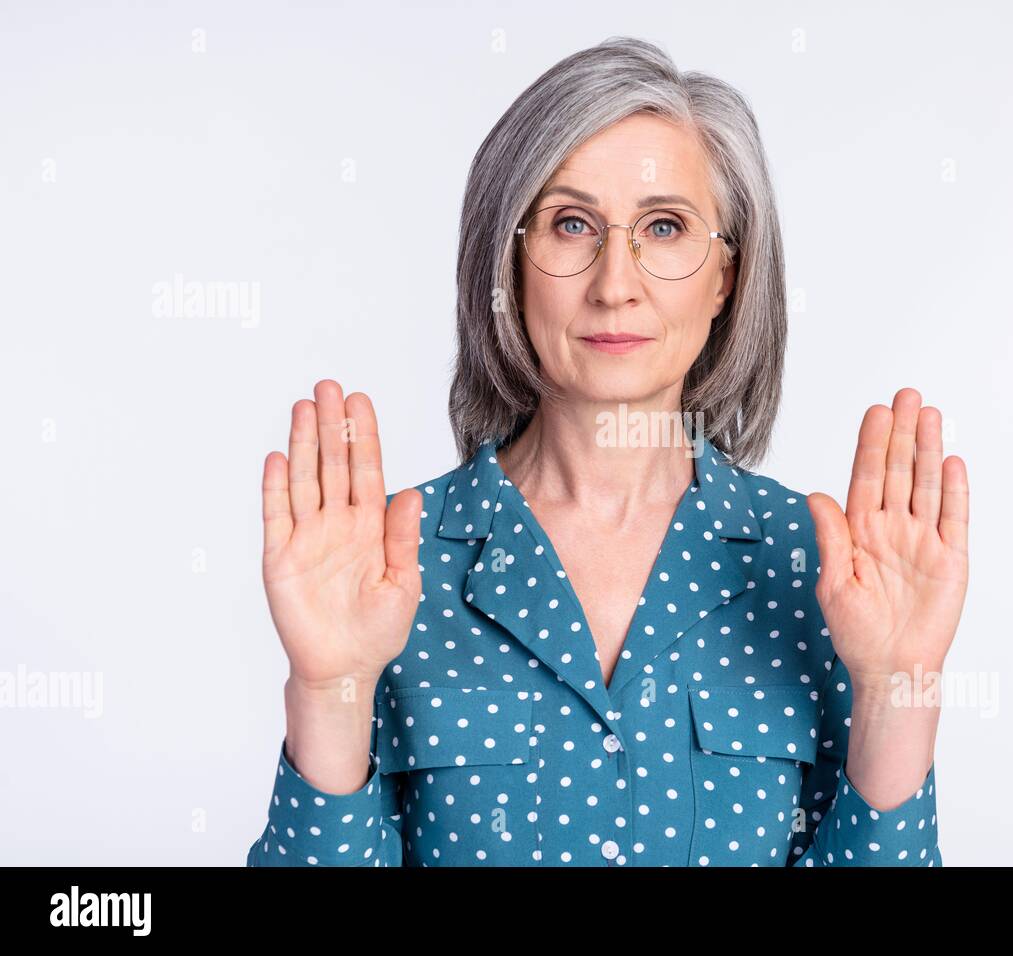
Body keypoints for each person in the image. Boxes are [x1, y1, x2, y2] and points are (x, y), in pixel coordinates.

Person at [246, 36, 969, 867]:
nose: (614, 282)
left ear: (727, 275)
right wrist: (326, 689)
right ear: (507, 266)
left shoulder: (826, 567)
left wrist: (898, 689)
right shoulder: (385, 569)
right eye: (570, 224)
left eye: (664, 227)